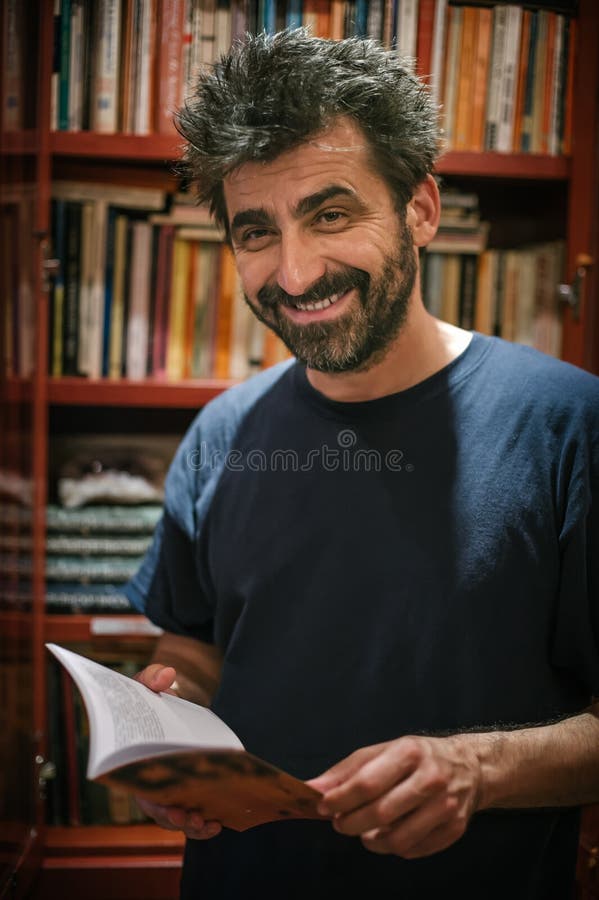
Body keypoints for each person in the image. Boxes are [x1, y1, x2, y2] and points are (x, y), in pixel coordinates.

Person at [126, 29, 599, 899]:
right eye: (256, 231)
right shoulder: (221, 431)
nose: (295, 272)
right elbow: (193, 644)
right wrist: (174, 714)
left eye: (331, 214)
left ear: (420, 208)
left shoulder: (570, 425)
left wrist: (479, 769)